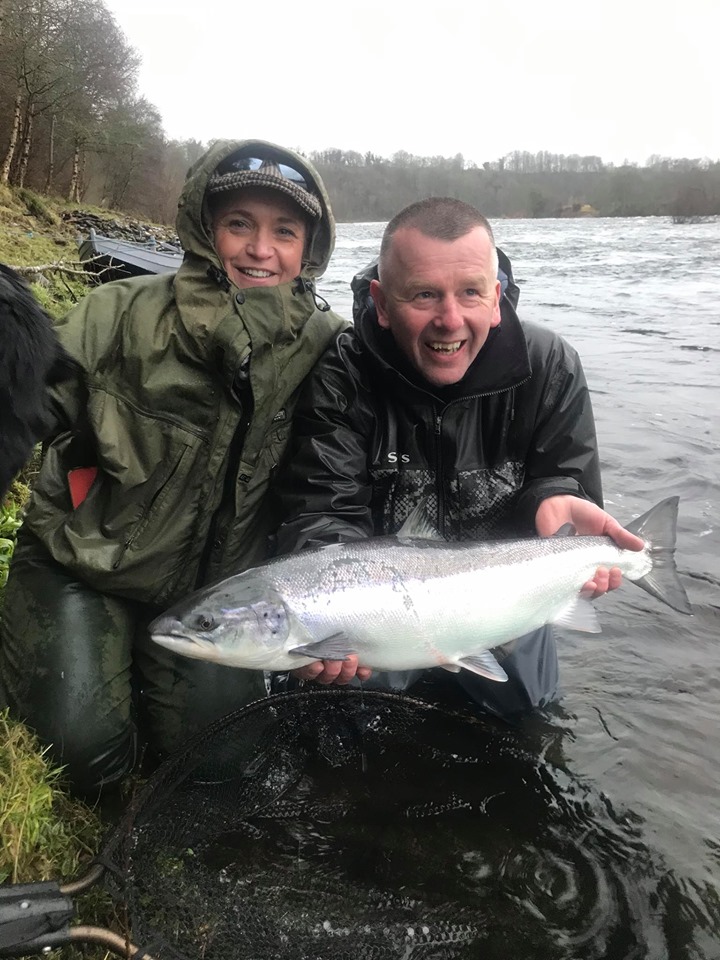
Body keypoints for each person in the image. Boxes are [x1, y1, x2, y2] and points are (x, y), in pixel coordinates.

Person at [0, 139, 347, 793]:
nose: (260, 249)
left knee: (220, 766)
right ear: (203, 227)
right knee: (82, 758)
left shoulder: (332, 350)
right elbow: (27, 408)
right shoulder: (117, 312)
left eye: (284, 231)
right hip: (83, 565)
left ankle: (140, 666)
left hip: (216, 598)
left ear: (311, 248)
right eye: (239, 223)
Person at [273, 196, 643, 715]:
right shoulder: (344, 372)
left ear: (496, 297)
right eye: (424, 295)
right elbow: (321, 511)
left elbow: (566, 477)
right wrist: (328, 618)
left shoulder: (549, 364)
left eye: (470, 293)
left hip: (506, 596)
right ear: (381, 302)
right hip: (380, 609)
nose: (450, 320)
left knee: (531, 719)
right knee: (341, 726)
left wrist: (558, 498)